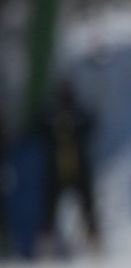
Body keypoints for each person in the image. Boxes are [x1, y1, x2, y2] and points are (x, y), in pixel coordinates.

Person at [36, 78, 101, 257]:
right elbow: (38, 128)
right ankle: (44, 252)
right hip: (56, 170)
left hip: (78, 168)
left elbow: (91, 124)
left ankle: (97, 248)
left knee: (89, 210)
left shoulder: (78, 112)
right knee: (48, 213)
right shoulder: (51, 113)